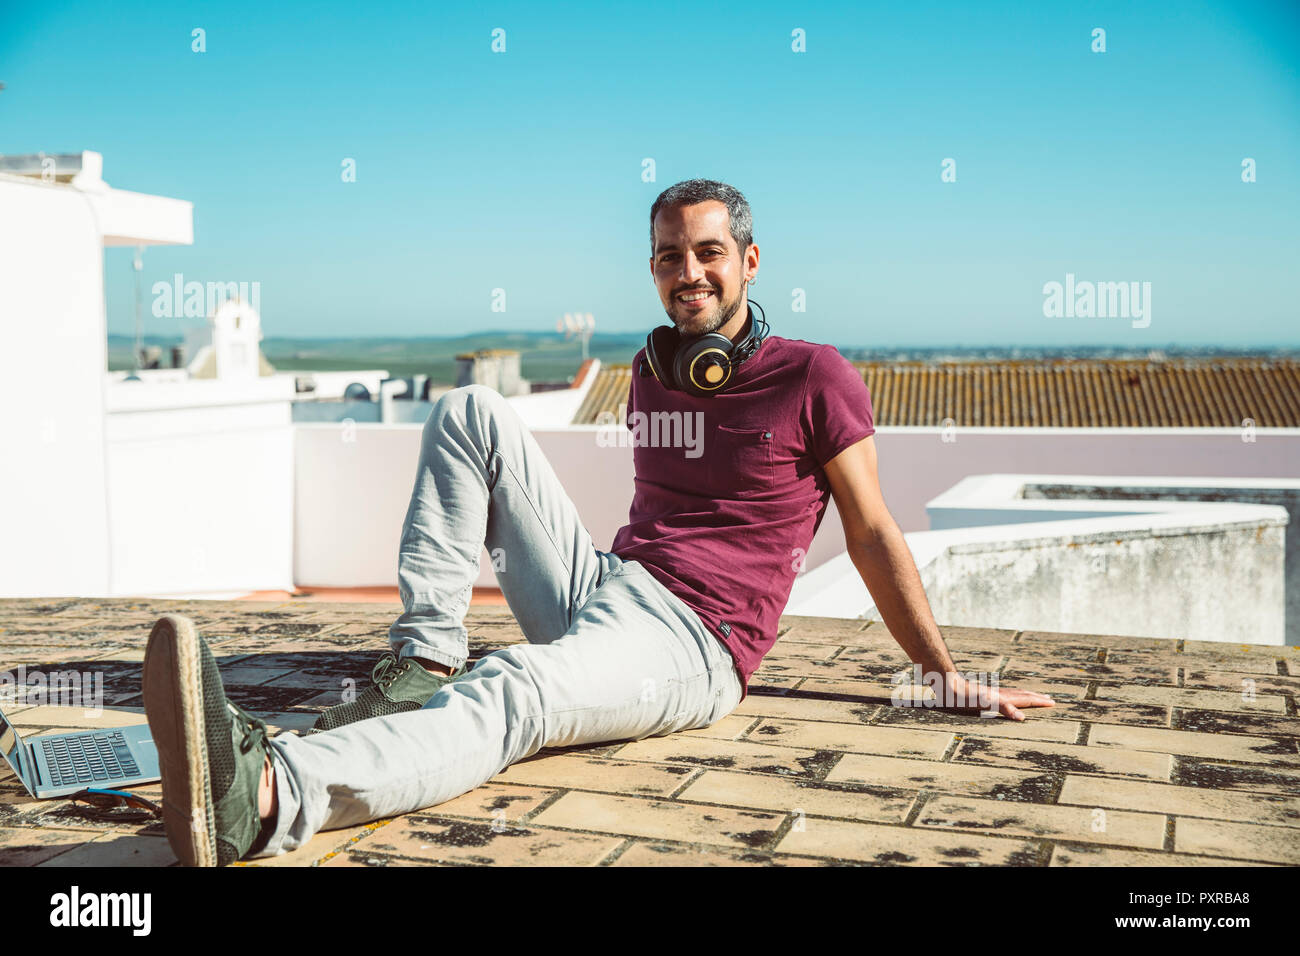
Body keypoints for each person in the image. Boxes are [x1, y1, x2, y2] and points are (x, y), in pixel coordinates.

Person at [141, 179, 1054, 866]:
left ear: (749, 261)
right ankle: (422, 664)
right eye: (668, 257)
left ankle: (265, 797)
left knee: (519, 692)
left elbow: (871, 532)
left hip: (696, 642)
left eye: (706, 253)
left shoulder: (817, 377)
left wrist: (941, 677)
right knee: (471, 412)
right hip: (608, 584)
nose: (687, 273)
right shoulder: (654, 370)